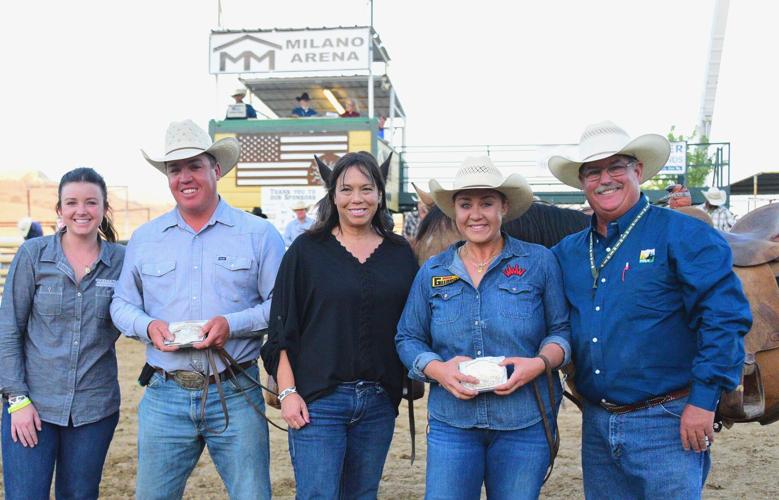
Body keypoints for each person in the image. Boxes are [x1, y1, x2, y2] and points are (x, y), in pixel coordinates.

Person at [547, 121, 752, 499]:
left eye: (616, 167)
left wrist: (704, 402)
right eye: (593, 171)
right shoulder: (567, 253)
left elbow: (724, 317)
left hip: (669, 420)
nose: (604, 179)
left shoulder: (684, 234)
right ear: (582, 182)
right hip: (597, 422)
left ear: (637, 171)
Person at [110, 119, 284, 499]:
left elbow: (282, 308)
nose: (185, 177)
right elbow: (121, 304)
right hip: (164, 392)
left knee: (252, 495)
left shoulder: (259, 235)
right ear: (168, 177)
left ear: (215, 169)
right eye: (175, 169)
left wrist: (232, 325)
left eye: (195, 166)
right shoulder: (145, 239)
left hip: (235, 389)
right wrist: (148, 326)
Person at [395, 156, 572, 499]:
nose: (476, 214)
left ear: (503, 207)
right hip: (453, 424)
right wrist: (438, 370)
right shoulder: (432, 272)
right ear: (454, 212)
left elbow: (562, 333)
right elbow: (408, 337)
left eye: (486, 203)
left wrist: (538, 364)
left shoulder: (539, 262)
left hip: (525, 423)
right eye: (466, 204)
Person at [261, 151, 418, 499]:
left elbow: (415, 324)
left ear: (380, 194)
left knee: (362, 495)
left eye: (367, 188)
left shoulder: (400, 254)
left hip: (378, 402)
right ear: (332, 195)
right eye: (346, 189)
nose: (357, 198)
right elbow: (281, 330)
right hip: (318, 402)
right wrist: (287, 393)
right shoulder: (306, 251)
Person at [0, 167, 124, 500]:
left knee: (79, 495)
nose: (80, 211)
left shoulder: (122, 262)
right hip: (33, 405)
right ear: (59, 209)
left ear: (104, 208)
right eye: (71, 202)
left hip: (93, 409)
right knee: (25, 495)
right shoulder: (34, 256)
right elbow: (8, 328)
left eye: (90, 202)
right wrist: (17, 399)